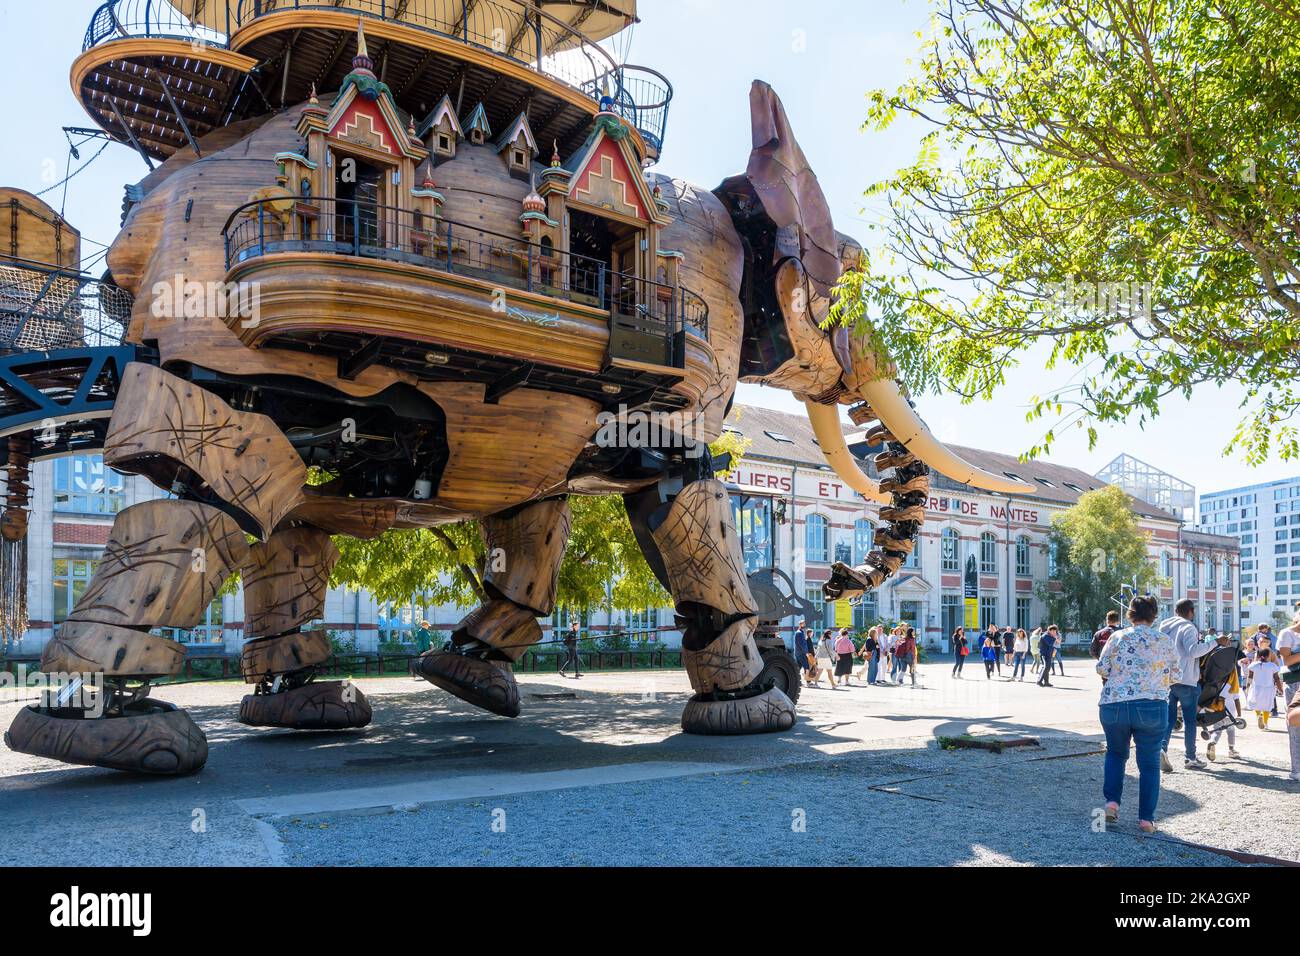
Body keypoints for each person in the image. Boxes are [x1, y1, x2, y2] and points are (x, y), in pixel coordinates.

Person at [1096, 594, 1176, 834]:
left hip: (1114, 704)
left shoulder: (1117, 637)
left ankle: (1111, 804)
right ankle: (1146, 820)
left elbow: (1102, 667)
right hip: (1151, 705)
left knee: (1116, 754)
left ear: (1130, 613)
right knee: (1150, 764)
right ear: (1154, 614)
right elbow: (1176, 674)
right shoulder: (1163, 640)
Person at [1159, 599, 1214, 771]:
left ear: (1175, 611)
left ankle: (1162, 749)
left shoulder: (1164, 627)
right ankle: (1190, 757)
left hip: (1167, 679)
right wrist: (1215, 643)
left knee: (1169, 719)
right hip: (1186, 679)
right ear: (1191, 611)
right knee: (1190, 721)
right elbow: (1193, 651)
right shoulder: (1188, 627)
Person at [1204, 631, 1243, 763]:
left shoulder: (1216, 683)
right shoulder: (1232, 683)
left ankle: (1213, 743)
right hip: (1229, 708)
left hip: (1215, 706)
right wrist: (1239, 714)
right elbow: (1237, 698)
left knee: (1217, 729)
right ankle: (1231, 750)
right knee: (1230, 728)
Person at [1277, 611, 1300, 782]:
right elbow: (1287, 661)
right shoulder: (1287, 633)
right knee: (1294, 727)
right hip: (1294, 682)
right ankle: (1296, 770)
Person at [1246, 648, 1284, 729]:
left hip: (1256, 688)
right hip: (1268, 689)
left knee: (1256, 704)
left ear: (1258, 655)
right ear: (1268, 656)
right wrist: (1280, 689)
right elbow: (1276, 678)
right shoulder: (1272, 666)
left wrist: (1247, 687)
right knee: (1267, 706)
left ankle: (1258, 716)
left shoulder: (1253, 665)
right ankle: (1265, 723)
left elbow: (1250, 677)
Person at [794, 622, 815, 688]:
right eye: (803, 624)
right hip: (802, 653)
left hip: (799, 653)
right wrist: (806, 653)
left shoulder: (799, 632)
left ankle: (796, 682)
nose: (805, 625)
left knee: (797, 669)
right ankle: (808, 682)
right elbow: (802, 644)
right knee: (807, 668)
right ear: (800, 625)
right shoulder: (800, 633)